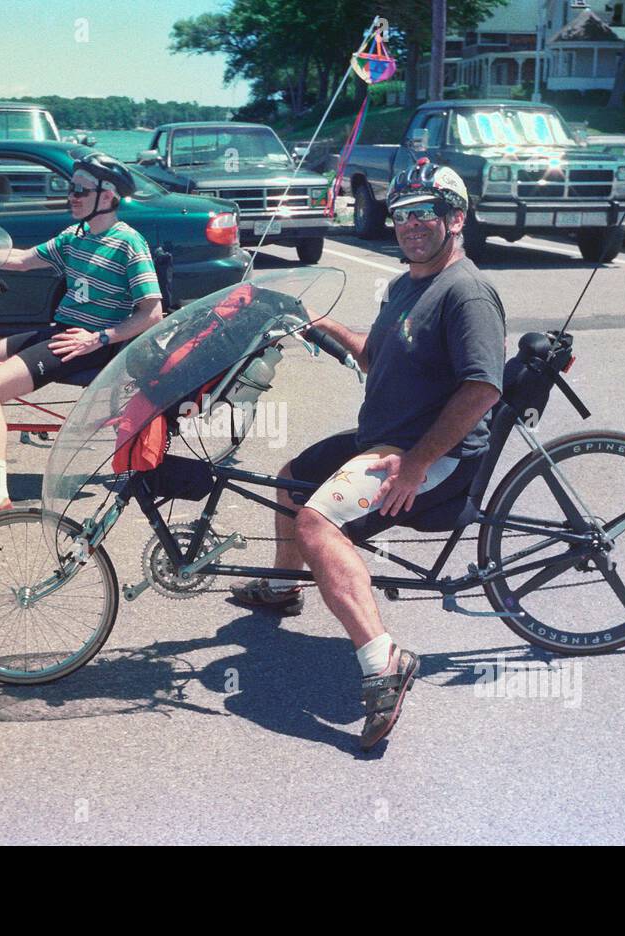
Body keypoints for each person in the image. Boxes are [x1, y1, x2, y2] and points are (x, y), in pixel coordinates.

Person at [230, 159, 506, 750]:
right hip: (382, 440)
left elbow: (483, 388)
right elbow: (373, 356)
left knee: (317, 523)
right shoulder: (409, 284)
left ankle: (383, 662)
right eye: (402, 213)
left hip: (430, 457)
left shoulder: (467, 293)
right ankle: (284, 585)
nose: (409, 225)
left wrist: (417, 462)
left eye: (424, 213)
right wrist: (311, 321)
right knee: (290, 479)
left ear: (455, 218)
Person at [0, 153, 164, 527]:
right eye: (70, 188)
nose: (72, 196)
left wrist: (99, 338)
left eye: (81, 190)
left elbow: (151, 313)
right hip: (61, 331)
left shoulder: (128, 243)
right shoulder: (75, 237)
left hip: (89, 345)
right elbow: (24, 259)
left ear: (107, 197)